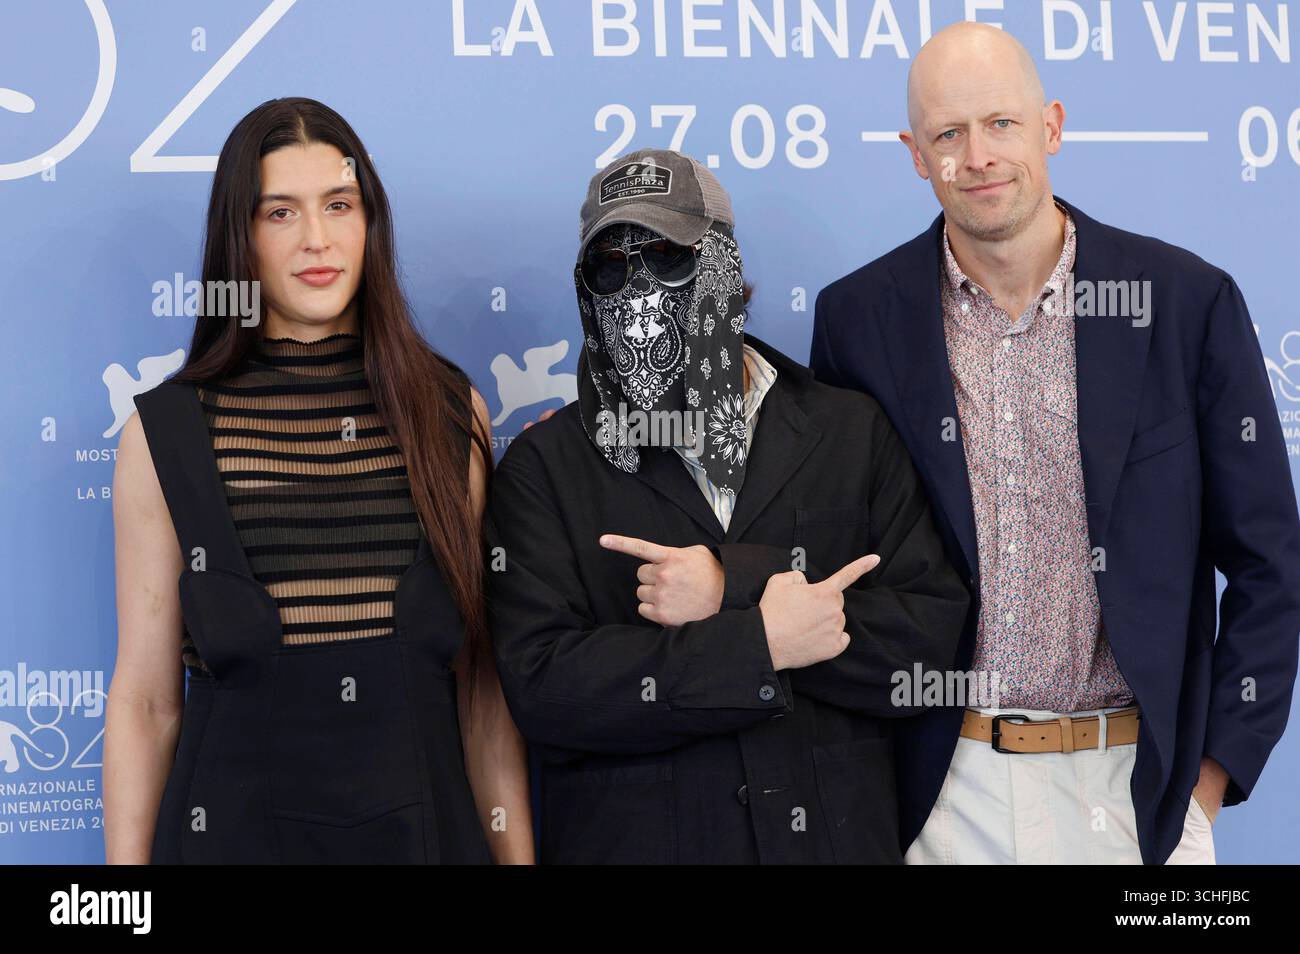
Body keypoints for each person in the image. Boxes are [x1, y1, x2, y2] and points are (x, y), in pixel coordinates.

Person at [810, 22, 1300, 864]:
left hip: (1137, 793)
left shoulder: (1185, 303)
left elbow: (1270, 563)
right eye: (948, 134)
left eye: (1002, 123)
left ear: (1053, 126)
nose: (979, 155)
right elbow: (833, 549)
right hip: (939, 790)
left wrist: (1208, 785)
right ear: (916, 154)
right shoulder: (858, 321)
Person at [486, 147, 969, 864]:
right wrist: (762, 641)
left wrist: (729, 588)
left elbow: (927, 647)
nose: (640, 294)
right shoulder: (544, 469)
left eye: (668, 257)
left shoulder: (848, 431)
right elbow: (550, 692)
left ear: (724, 268)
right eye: (611, 269)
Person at [105, 97, 533, 864]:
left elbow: (480, 696)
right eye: (280, 213)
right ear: (240, 238)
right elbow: (144, 703)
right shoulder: (164, 435)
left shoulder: (446, 413)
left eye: (339, 204)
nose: (317, 239)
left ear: (371, 221)